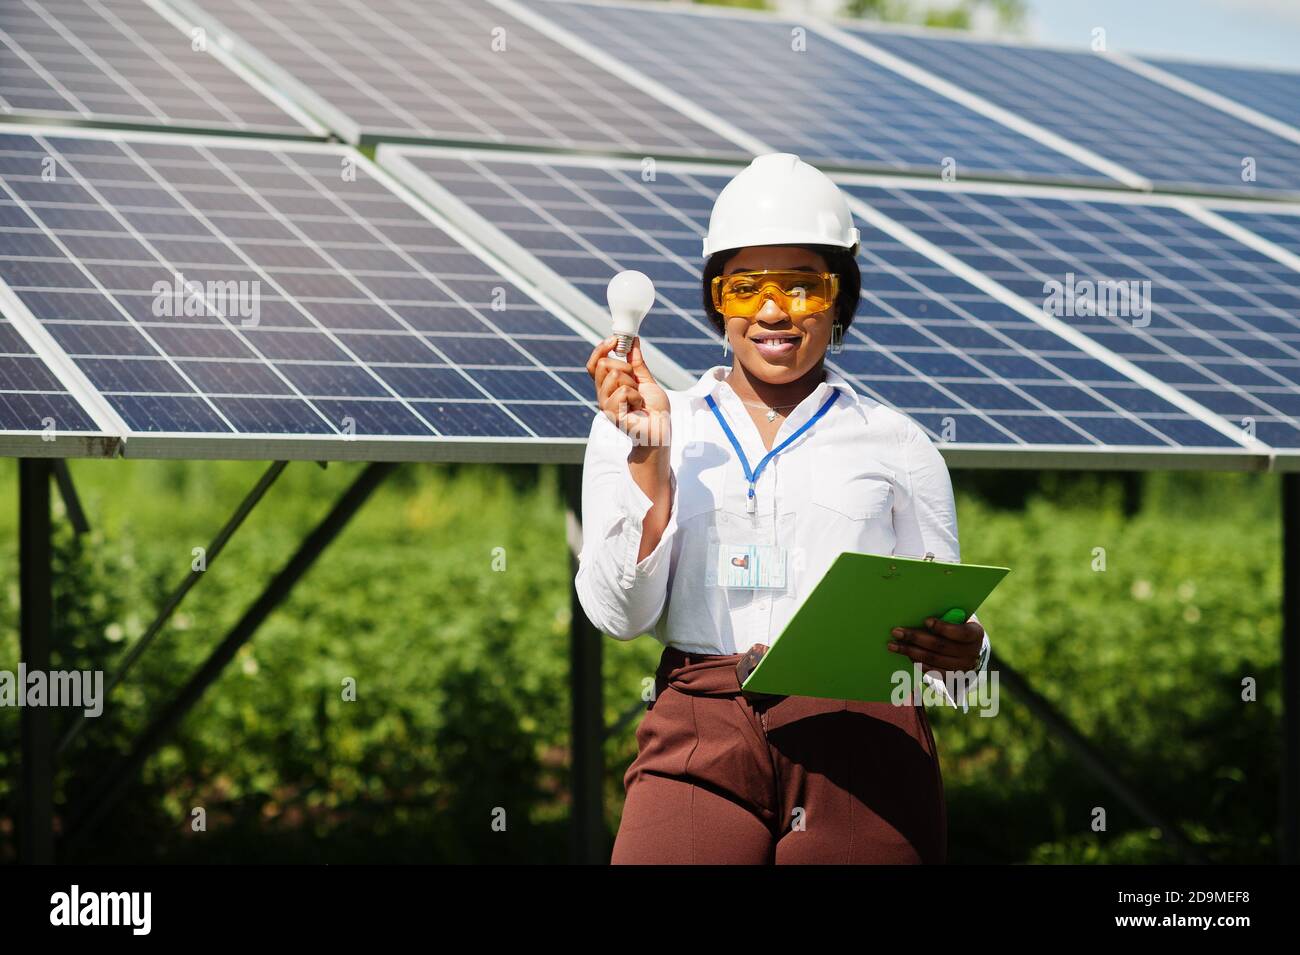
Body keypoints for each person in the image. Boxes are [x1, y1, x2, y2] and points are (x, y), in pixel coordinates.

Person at [576, 153, 990, 865]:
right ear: (717, 300)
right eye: (746, 288)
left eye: (802, 286)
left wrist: (969, 650)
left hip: (862, 731)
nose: (773, 311)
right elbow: (621, 615)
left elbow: (948, 647)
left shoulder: (899, 445)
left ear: (839, 298)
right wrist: (650, 459)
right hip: (700, 723)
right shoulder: (643, 420)